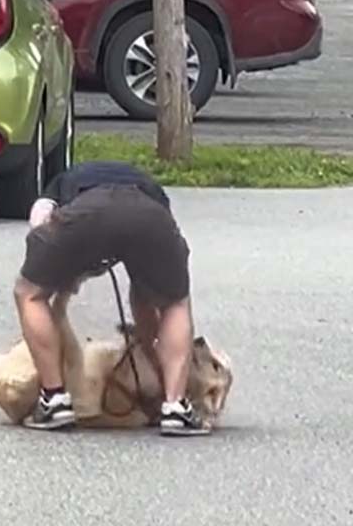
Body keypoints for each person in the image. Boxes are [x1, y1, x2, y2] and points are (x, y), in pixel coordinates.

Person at [14, 160, 210, 436]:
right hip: (148, 216)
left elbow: (40, 223)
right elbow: (146, 291)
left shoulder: (61, 182)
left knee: (29, 294)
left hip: (84, 213)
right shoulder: (150, 187)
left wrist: (62, 273)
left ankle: (54, 400)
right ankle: (175, 406)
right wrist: (148, 346)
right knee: (174, 301)